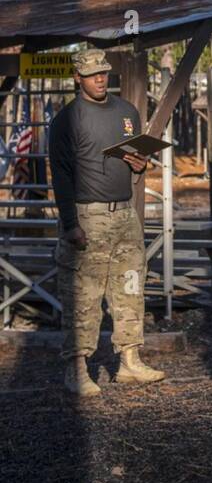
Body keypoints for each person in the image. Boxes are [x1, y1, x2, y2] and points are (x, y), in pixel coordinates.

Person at [48, 48, 164, 397]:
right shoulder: (66, 119)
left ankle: (130, 360)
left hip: (125, 214)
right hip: (88, 215)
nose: (100, 78)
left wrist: (140, 164)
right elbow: (62, 175)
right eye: (92, 74)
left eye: (104, 72)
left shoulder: (126, 113)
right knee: (82, 294)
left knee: (130, 286)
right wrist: (70, 223)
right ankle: (77, 368)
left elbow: (135, 162)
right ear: (77, 78)